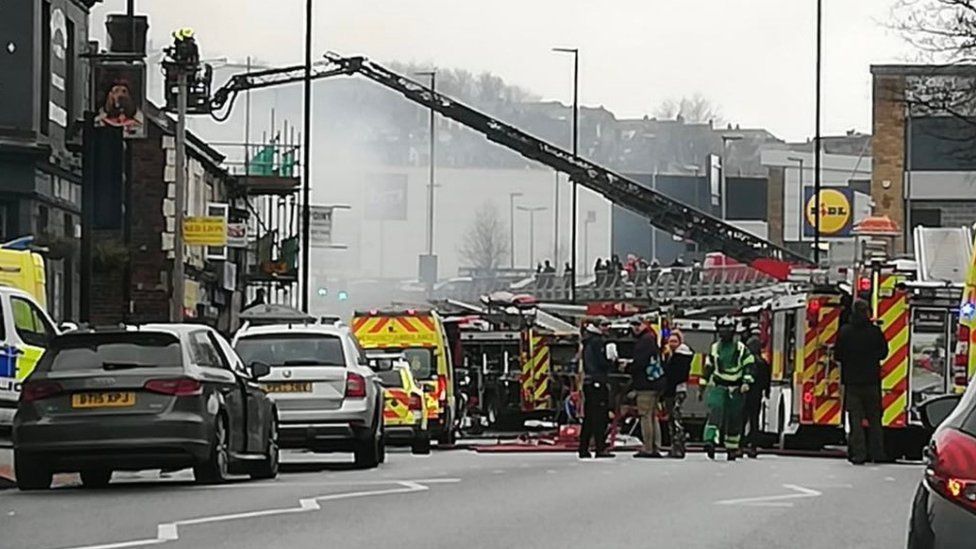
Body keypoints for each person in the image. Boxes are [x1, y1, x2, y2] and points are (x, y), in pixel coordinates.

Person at [835, 299, 889, 465]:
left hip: (852, 383)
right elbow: (884, 352)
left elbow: (838, 355)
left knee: (855, 420)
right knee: (875, 420)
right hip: (871, 382)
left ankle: (858, 454)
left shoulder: (845, 332)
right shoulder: (874, 332)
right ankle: (877, 452)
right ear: (867, 312)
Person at [702, 316, 755, 461]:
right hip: (719, 386)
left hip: (736, 389)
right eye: (722, 329)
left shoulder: (740, 348)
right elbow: (708, 366)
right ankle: (710, 441)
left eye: (727, 329)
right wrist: (703, 384)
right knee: (715, 412)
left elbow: (749, 365)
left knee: (734, 418)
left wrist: (746, 381)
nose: (724, 332)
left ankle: (732, 447)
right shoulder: (715, 348)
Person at [628, 318, 666, 458]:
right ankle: (656, 446)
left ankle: (648, 448)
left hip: (646, 384)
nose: (635, 328)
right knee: (653, 416)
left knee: (645, 416)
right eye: (633, 325)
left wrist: (628, 368)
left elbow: (640, 363)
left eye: (638, 324)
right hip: (656, 383)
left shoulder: (644, 341)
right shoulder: (652, 338)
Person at [579, 317, 615, 459]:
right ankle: (600, 448)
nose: (607, 328)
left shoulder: (587, 341)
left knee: (589, 417)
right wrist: (611, 361)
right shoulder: (597, 342)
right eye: (604, 325)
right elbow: (601, 363)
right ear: (596, 326)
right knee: (600, 416)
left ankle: (583, 448)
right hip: (597, 381)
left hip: (589, 382)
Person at [662, 331, 693, 458]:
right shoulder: (673, 355)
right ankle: (675, 447)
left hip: (677, 390)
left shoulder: (680, 357)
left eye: (675, 341)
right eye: (670, 341)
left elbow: (674, 375)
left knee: (675, 420)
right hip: (674, 390)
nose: (672, 344)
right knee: (673, 419)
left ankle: (678, 447)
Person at [742, 335, 771, 458]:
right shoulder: (763, 363)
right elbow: (767, 379)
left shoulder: (746, 361)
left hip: (745, 394)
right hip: (757, 395)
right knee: (754, 421)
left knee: (742, 420)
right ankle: (753, 447)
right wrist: (767, 391)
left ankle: (740, 445)